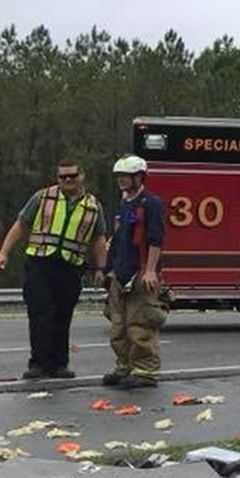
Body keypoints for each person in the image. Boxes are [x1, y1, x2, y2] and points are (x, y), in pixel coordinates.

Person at [0, 159, 108, 380]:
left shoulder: (93, 206)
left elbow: (98, 238)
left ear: (81, 176)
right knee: (40, 314)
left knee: (62, 317)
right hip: (40, 264)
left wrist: (100, 268)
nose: (67, 180)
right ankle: (38, 364)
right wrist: (3, 253)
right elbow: (21, 224)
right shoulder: (43, 197)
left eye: (71, 176)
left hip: (71, 267)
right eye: (62, 177)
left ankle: (59, 365)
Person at [103, 155, 166, 389]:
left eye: (125, 176)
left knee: (140, 325)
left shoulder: (151, 204)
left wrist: (150, 271)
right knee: (118, 326)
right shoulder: (125, 203)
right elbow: (118, 239)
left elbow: (155, 240)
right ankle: (124, 367)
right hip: (121, 273)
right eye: (118, 176)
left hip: (140, 274)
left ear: (139, 177)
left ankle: (146, 372)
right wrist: (108, 269)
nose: (121, 180)